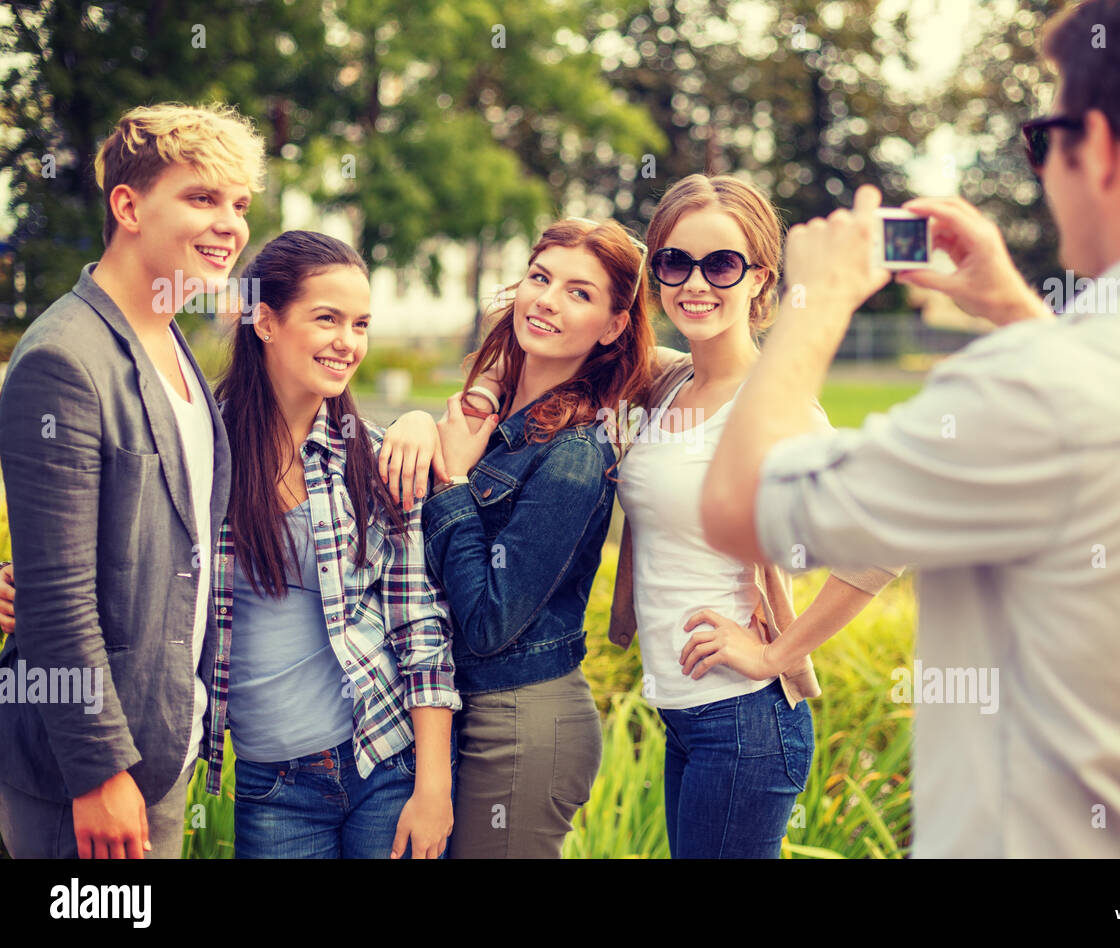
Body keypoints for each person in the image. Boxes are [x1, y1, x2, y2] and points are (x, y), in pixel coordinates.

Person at [701, 0, 1120, 857]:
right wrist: (1015, 311)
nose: (1042, 170)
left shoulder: (1035, 393)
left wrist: (814, 299)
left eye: (1044, 137)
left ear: (1098, 151)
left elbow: (738, 504)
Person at [2, 231, 461, 859]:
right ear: (265, 321)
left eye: (360, 324)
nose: (347, 342)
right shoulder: (198, 448)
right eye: (326, 318)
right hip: (273, 786)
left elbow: (419, 624)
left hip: (384, 763)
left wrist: (434, 786)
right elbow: (114, 549)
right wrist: (21, 575)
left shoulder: (379, 459)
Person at [0, 102, 264, 859]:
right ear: (128, 205)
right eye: (202, 197)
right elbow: (55, 596)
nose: (229, 224)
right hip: (78, 774)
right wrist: (98, 772)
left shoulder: (173, 344)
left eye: (239, 205)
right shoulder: (64, 357)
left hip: (161, 753)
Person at [607, 174, 899, 858]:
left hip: (744, 720)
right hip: (686, 716)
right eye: (675, 262)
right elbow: (557, 348)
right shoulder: (670, 380)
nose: (695, 283)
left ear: (760, 279)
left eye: (722, 264)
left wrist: (773, 654)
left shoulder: (777, 407)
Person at [384, 217, 656, 857]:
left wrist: (450, 481)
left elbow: (487, 622)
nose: (547, 300)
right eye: (541, 277)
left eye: (579, 293)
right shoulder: (495, 417)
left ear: (614, 326)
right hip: (463, 707)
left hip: (521, 722)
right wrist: (419, 421)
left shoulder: (572, 456)